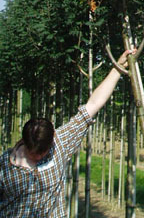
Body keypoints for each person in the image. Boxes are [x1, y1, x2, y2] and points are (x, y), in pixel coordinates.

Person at [0, 48, 134, 218]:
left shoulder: (60, 142)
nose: (39, 157)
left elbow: (92, 106)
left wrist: (117, 68)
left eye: (43, 152)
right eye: (34, 153)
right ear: (24, 143)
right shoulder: (5, 165)